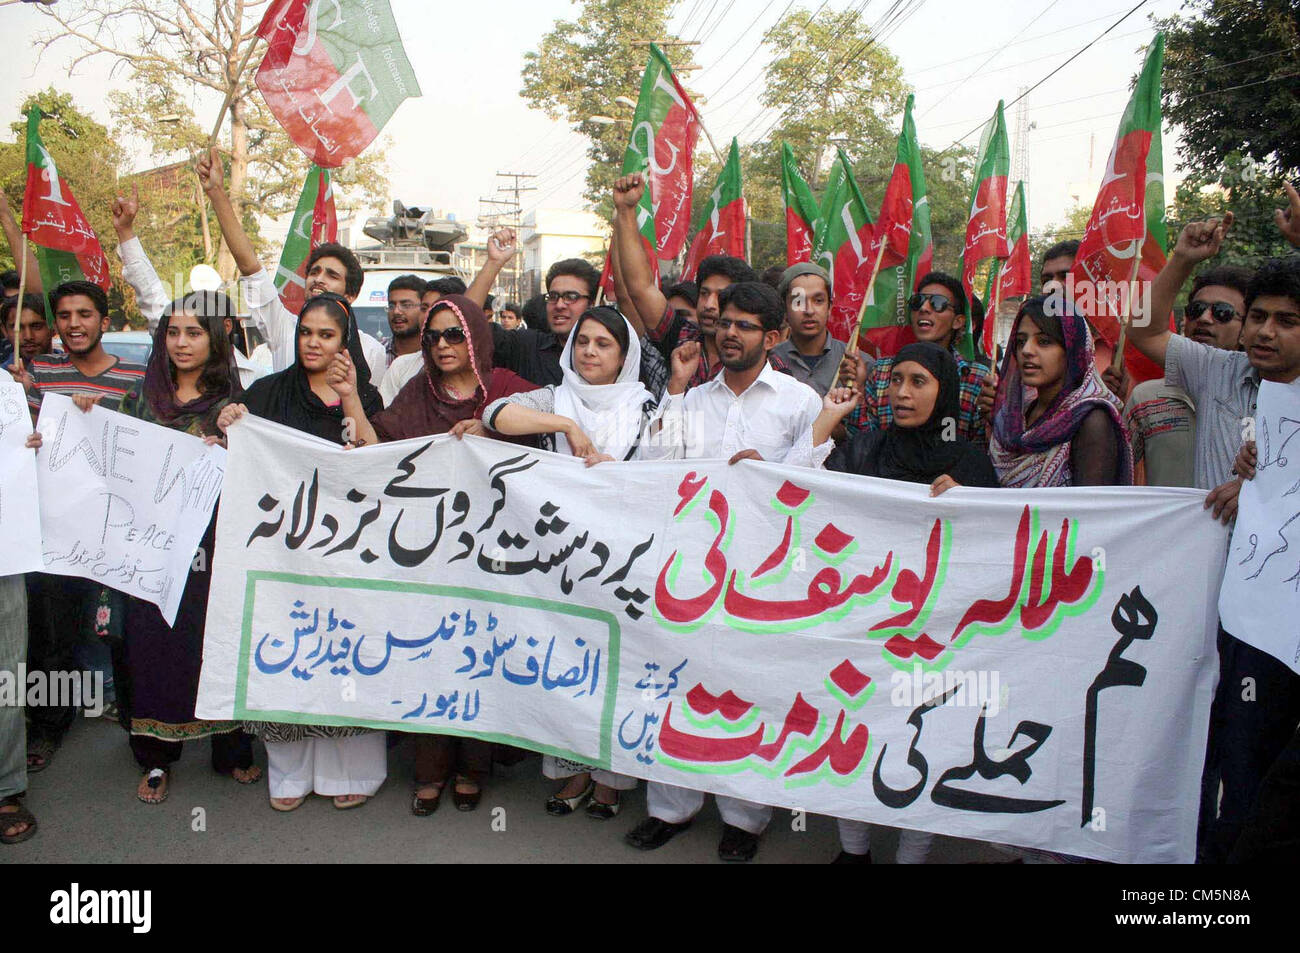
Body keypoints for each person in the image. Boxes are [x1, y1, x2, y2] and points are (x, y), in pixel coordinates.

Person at [631, 281, 835, 862]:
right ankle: (670, 809)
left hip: (765, 576)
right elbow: (652, 465)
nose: (729, 333)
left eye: (745, 326)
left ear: (773, 338)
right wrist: (673, 386)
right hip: (692, 571)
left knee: (747, 693)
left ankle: (745, 819)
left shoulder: (800, 403)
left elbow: (815, 490)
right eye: (724, 323)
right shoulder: (694, 399)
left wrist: (767, 472)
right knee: (679, 685)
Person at [1127, 185, 1300, 862]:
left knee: (1253, 756)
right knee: (1192, 743)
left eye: (1287, 321)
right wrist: (1181, 260)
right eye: (1257, 317)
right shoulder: (1221, 372)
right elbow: (1143, 328)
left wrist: (1266, 489)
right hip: (1201, 603)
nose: (1263, 332)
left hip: (1274, 617)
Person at [337, 294, 535, 815]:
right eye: (433, 337)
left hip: (491, 553)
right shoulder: (417, 392)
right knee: (428, 656)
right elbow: (377, 448)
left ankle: (473, 770)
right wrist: (351, 399)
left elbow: (541, 446)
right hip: (425, 552)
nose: (443, 345)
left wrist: (489, 429)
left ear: (474, 337)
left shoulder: (510, 390)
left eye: (454, 334)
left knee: (478, 659)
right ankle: (429, 774)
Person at [820, 340, 999, 864]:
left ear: (944, 392)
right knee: (849, 734)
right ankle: (853, 851)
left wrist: (968, 502)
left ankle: (911, 855)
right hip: (861, 624)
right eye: (895, 380)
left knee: (922, 742)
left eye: (918, 382)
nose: (902, 391)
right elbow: (815, 500)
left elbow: (991, 547)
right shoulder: (865, 448)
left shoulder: (968, 462)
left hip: (934, 636)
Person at [216, 293, 388, 811]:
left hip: (345, 552)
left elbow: (378, 461)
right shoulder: (267, 392)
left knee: (342, 656)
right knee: (286, 654)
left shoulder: (366, 395)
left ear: (346, 342)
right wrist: (231, 421)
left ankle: (350, 772)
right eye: (307, 332)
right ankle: (288, 774)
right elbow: (240, 456)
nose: (314, 342)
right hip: (281, 551)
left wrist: (351, 396)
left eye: (327, 334)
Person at [483, 306, 656, 818]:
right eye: (583, 341)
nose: (589, 352)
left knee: (614, 670)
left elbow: (668, 473)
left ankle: (610, 782)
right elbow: (496, 414)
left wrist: (617, 476)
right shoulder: (553, 397)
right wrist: (567, 426)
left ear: (625, 356)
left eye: (604, 344)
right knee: (562, 664)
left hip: (620, 561)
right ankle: (572, 773)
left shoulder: (649, 407)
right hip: (554, 559)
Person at [115, 293, 260, 803]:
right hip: (151, 546)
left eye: (194, 333)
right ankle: (156, 759)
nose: (182, 343)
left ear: (214, 339)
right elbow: (113, 455)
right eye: (173, 332)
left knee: (216, 641)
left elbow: (255, 475)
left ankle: (232, 750)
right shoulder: (141, 396)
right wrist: (85, 413)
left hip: (216, 550)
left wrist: (233, 437)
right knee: (155, 647)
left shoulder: (234, 403)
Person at [10, 280, 146, 773]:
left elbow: (151, 433)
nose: (73, 324)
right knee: (53, 632)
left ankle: (140, 724)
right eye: (64, 316)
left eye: (84, 314)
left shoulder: (135, 374)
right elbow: (15, 435)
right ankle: (48, 726)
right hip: (56, 528)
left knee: (125, 630)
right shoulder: (35, 372)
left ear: (103, 322)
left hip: (120, 528)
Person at [196, 147, 386, 386]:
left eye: (332, 275)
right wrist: (216, 193)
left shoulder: (371, 351)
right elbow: (250, 267)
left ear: (350, 294)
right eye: (314, 271)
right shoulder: (284, 328)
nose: (318, 278)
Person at [466, 228, 667, 396]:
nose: (560, 304)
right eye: (553, 296)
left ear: (592, 304)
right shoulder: (525, 346)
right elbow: (465, 323)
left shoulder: (618, 360)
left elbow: (631, 297)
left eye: (571, 297)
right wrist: (494, 262)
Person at [612, 173, 757, 387]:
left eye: (720, 296)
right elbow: (640, 288)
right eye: (705, 293)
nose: (709, 305)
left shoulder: (763, 362)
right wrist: (626, 211)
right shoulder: (681, 337)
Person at [1124, 264, 1251, 487]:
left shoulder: (1267, 396)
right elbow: (1118, 472)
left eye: (1222, 313)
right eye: (1196, 309)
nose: (1204, 318)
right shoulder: (1146, 396)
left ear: (1247, 330)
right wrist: (1184, 258)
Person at [989, 295, 1132, 488]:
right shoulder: (1013, 418)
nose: (1026, 350)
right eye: (1021, 341)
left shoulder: (1092, 421)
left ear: (1073, 351)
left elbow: (1091, 512)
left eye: (1044, 342)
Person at [849, 271, 992, 446]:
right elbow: (864, 442)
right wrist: (857, 389)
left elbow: (980, 449)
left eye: (937, 303)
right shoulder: (882, 371)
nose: (924, 308)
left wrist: (992, 415)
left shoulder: (977, 378)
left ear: (958, 321)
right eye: (917, 302)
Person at [769, 263, 847, 397]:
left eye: (818, 301)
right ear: (784, 310)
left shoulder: (853, 363)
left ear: (829, 307)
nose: (809, 311)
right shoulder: (768, 363)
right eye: (798, 302)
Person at [1, 294, 53, 370]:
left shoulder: (74, 369)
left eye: (36, 326)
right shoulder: (3, 379)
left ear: (54, 327)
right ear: (4, 330)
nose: (28, 336)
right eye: (18, 328)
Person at [385, 275, 427, 363]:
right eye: (391, 305)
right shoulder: (376, 352)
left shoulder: (434, 355)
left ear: (424, 309)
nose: (396, 311)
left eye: (406, 305)